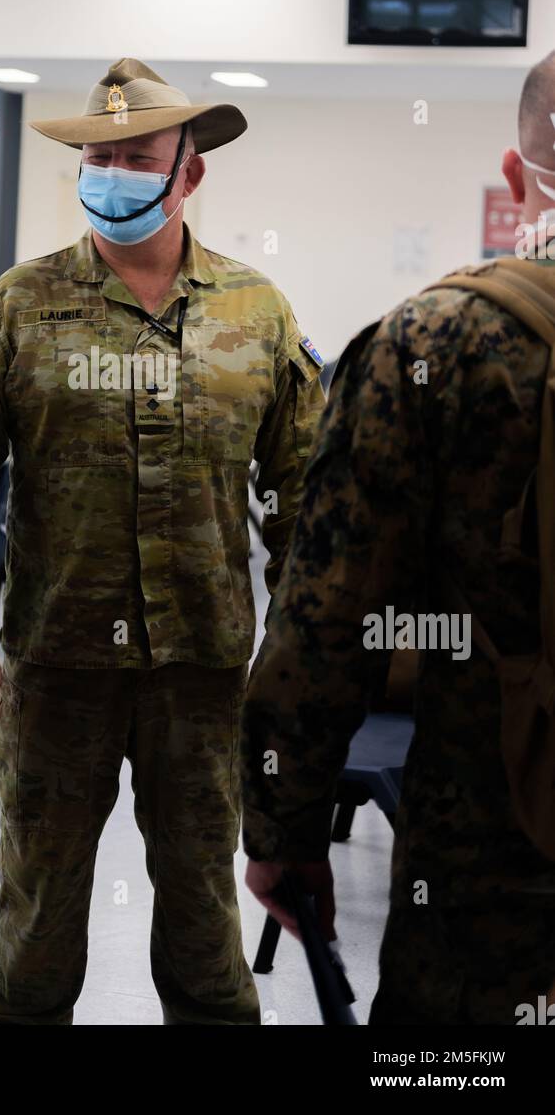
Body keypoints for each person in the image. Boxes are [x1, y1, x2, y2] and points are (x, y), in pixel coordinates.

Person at [0, 57, 325, 1025]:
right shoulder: (19, 306)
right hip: (54, 659)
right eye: (95, 155)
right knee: (37, 905)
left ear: (186, 173)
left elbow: (299, 493)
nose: (109, 171)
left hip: (201, 661)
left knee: (200, 903)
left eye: (134, 156)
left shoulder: (255, 309)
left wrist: (301, 652)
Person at [242, 51, 555, 1025]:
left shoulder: (436, 341)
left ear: (515, 181)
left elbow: (327, 610)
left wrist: (284, 825)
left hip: (492, 836)